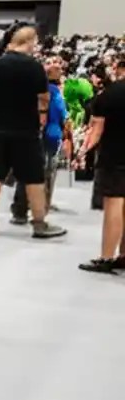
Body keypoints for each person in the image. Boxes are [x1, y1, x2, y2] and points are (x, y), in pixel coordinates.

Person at [0, 26, 66, 238]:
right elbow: (44, 98)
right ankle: (40, 224)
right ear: (30, 41)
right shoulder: (35, 68)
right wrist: (42, 116)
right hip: (26, 130)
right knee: (34, 178)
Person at [75, 57, 125, 272]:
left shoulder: (110, 94)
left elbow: (96, 131)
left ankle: (106, 257)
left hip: (115, 157)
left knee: (114, 205)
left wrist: (83, 151)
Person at [12, 58, 69, 221]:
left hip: (27, 132)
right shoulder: (54, 91)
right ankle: (43, 206)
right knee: (47, 171)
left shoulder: (28, 90)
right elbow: (60, 112)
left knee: (26, 171)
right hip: (50, 134)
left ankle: (20, 208)